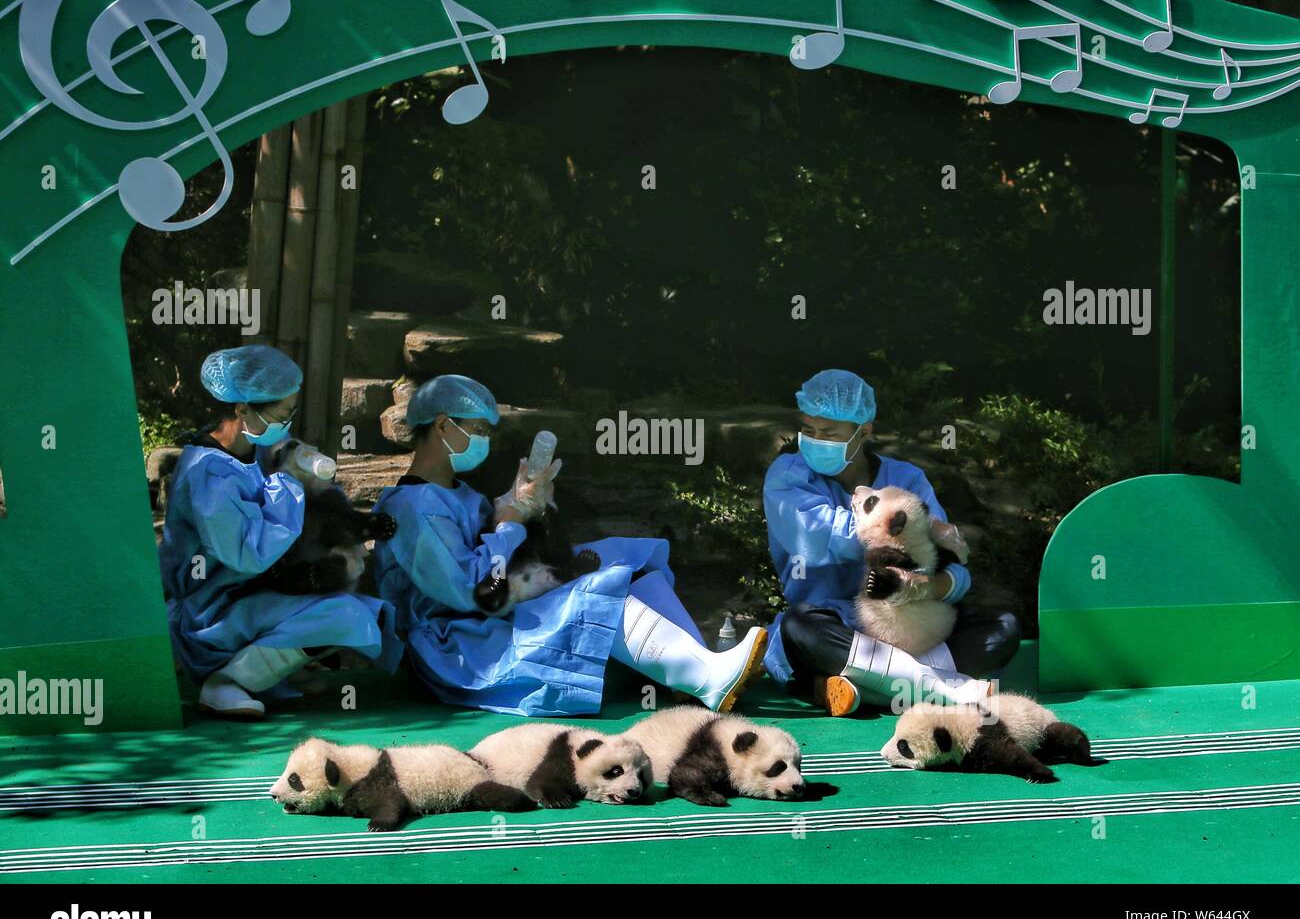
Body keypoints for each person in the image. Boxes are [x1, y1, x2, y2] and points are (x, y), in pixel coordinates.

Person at [371, 375, 767, 717]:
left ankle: (695, 670)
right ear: (443, 425)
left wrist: (525, 506)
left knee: (624, 560)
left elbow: (500, 550)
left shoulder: (462, 495)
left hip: (495, 613)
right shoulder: (411, 508)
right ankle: (708, 680)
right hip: (456, 645)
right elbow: (471, 591)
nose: (486, 441)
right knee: (597, 591)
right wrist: (511, 521)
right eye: (479, 429)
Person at [158, 345, 402, 718]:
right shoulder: (210, 474)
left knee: (365, 613)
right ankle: (226, 682)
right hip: (211, 614)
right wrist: (288, 482)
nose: (287, 424)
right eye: (283, 414)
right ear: (241, 409)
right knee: (346, 617)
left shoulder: (252, 451)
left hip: (249, 597)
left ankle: (268, 674)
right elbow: (250, 553)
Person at [763, 368, 1020, 716]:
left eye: (829, 432)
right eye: (808, 429)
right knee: (799, 628)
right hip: (837, 628)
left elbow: (954, 572)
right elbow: (829, 537)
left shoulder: (908, 478)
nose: (814, 439)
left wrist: (924, 588)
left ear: (863, 431)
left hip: (909, 629)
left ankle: (862, 688)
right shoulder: (786, 476)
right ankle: (938, 686)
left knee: (1003, 627)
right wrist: (913, 525)